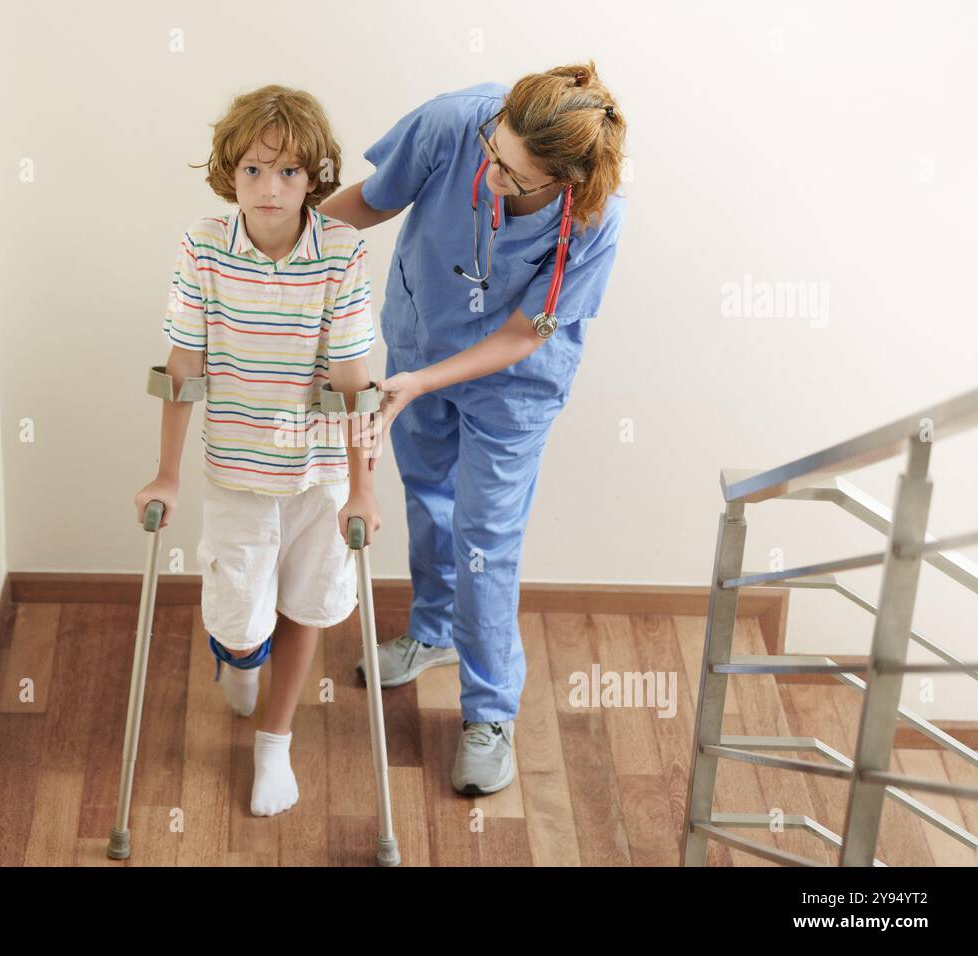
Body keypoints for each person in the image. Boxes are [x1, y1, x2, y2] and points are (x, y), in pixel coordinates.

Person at [318, 61, 627, 795]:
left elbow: (526, 333)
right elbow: (372, 199)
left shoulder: (593, 219)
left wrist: (419, 381)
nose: (490, 175)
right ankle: (431, 632)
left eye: (515, 177)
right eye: (495, 153)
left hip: (512, 387)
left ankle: (490, 712)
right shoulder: (457, 122)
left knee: (486, 539)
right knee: (427, 498)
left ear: (564, 180)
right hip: (419, 337)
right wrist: (276, 243)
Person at [135, 85, 382, 817]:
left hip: (320, 476)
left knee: (306, 605)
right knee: (240, 625)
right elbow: (182, 369)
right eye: (251, 171)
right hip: (237, 471)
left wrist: (364, 490)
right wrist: (165, 476)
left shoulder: (342, 255)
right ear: (228, 175)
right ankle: (242, 660)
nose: (269, 189)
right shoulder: (204, 247)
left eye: (288, 172)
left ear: (314, 178)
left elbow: (353, 386)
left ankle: (275, 743)